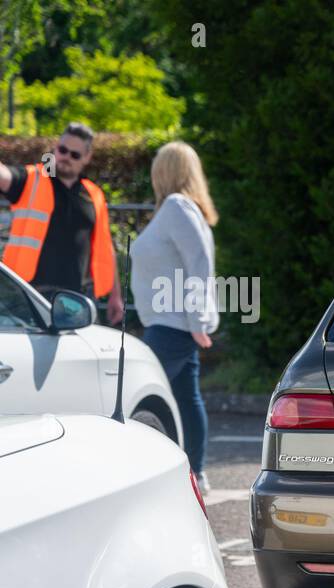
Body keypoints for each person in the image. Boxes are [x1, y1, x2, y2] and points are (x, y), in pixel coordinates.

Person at [130, 141, 220, 490]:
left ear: (165, 171)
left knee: (131, 392)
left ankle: (141, 471)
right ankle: (196, 473)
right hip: (171, 323)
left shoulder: (176, 207)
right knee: (186, 396)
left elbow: (199, 263)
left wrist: (197, 322)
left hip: (173, 325)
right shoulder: (182, 209)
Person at [0, 122, 125, 323]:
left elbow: (106, 248)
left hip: (78, 300)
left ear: (87, 158)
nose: (66, 157)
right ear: (55, 148)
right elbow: (4, 175)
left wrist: (115, 296)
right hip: (30, 297)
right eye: (62, 150)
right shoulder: (34, 179)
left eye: (74, 155)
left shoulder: (93, 194)